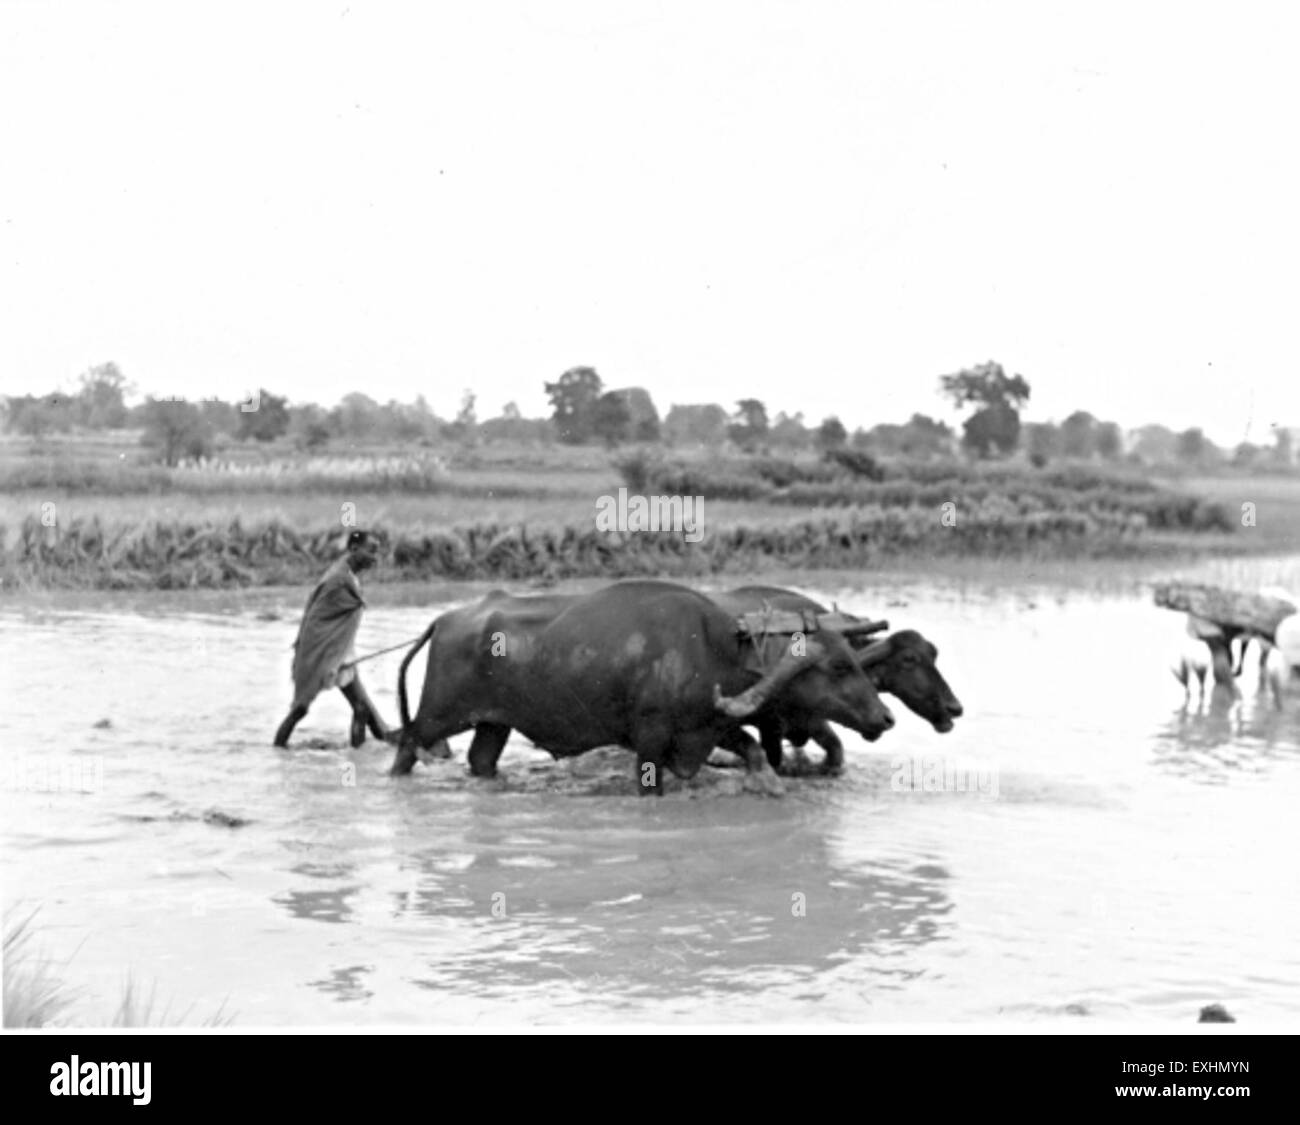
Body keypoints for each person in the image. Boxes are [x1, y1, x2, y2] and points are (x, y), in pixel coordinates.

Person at [273, 529, 393, 748]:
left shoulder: (348, 575)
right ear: (354, 549)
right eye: (371, 551)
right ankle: (278, 749)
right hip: (323, 653)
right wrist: (327, 657)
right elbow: (316, 621)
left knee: (361, 708)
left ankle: (361, 755)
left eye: (377, 552)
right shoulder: (338, 579)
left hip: (339, 651)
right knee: (300, 709)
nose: (376, 558)